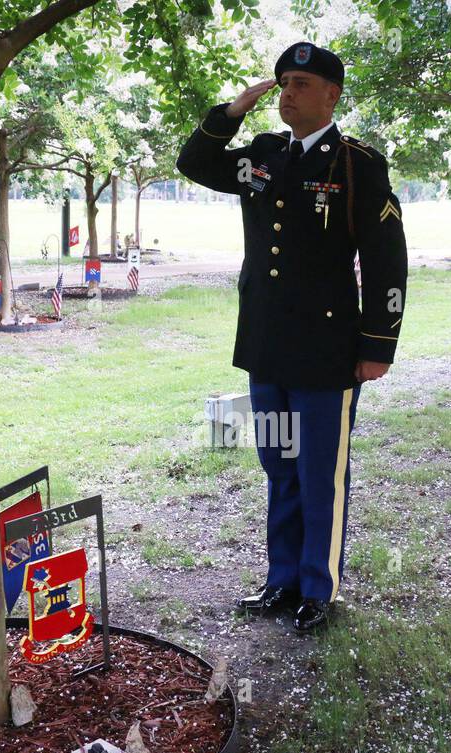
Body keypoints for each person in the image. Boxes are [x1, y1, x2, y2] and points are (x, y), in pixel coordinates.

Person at [175, 41, 408, 633]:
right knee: (277, 462)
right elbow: (194, 163)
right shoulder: (263, 153)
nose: (287, 93)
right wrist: (230, 111)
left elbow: (387, 261)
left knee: (318, 471)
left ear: (332, 95)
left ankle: (317, 587)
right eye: (282, 83)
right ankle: (281, 580)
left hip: (326, 351)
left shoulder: (355, 164)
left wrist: (377, 345)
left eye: (301, 83)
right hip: (267, 346)